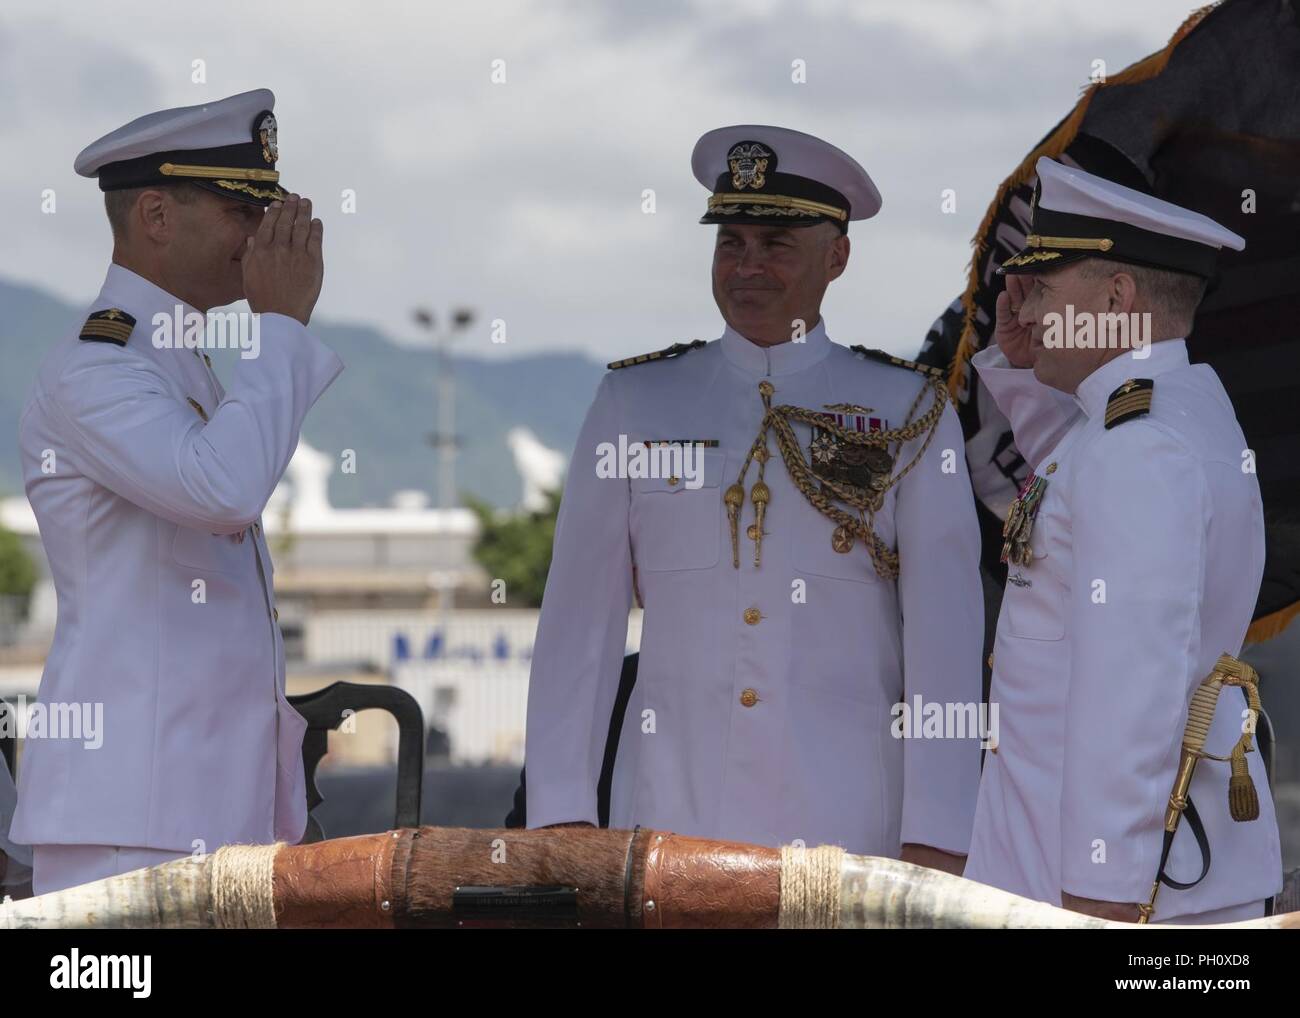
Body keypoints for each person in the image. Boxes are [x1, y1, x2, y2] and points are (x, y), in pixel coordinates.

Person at [523, 125, 983, 869]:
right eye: (730, 242)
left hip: (851, 825)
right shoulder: (637, 402)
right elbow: (579, 625)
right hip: (673, 814)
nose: (748, 266)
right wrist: (560, 814)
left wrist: (939, 831)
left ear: (837, 256)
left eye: (776, 244)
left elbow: (946, 640)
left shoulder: (907, 411)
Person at [9, 89, 343, 895]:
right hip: (130, 814)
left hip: (200, 808)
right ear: (157, 216)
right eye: (242, 211)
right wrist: (281, 328)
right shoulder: (99, 366)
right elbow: (223, 490)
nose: (262, 236)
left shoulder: (175, 359)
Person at [966, 156, 1283, 922]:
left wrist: (1099, 903)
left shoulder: (1135, 447)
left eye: (1041, 284)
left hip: (1096, 893)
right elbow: (1068, 476)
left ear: (1115, 295)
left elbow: (1131, 703)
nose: (1025, 302)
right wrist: (1020, 363)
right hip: (1127, 872)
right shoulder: (1169, 416)